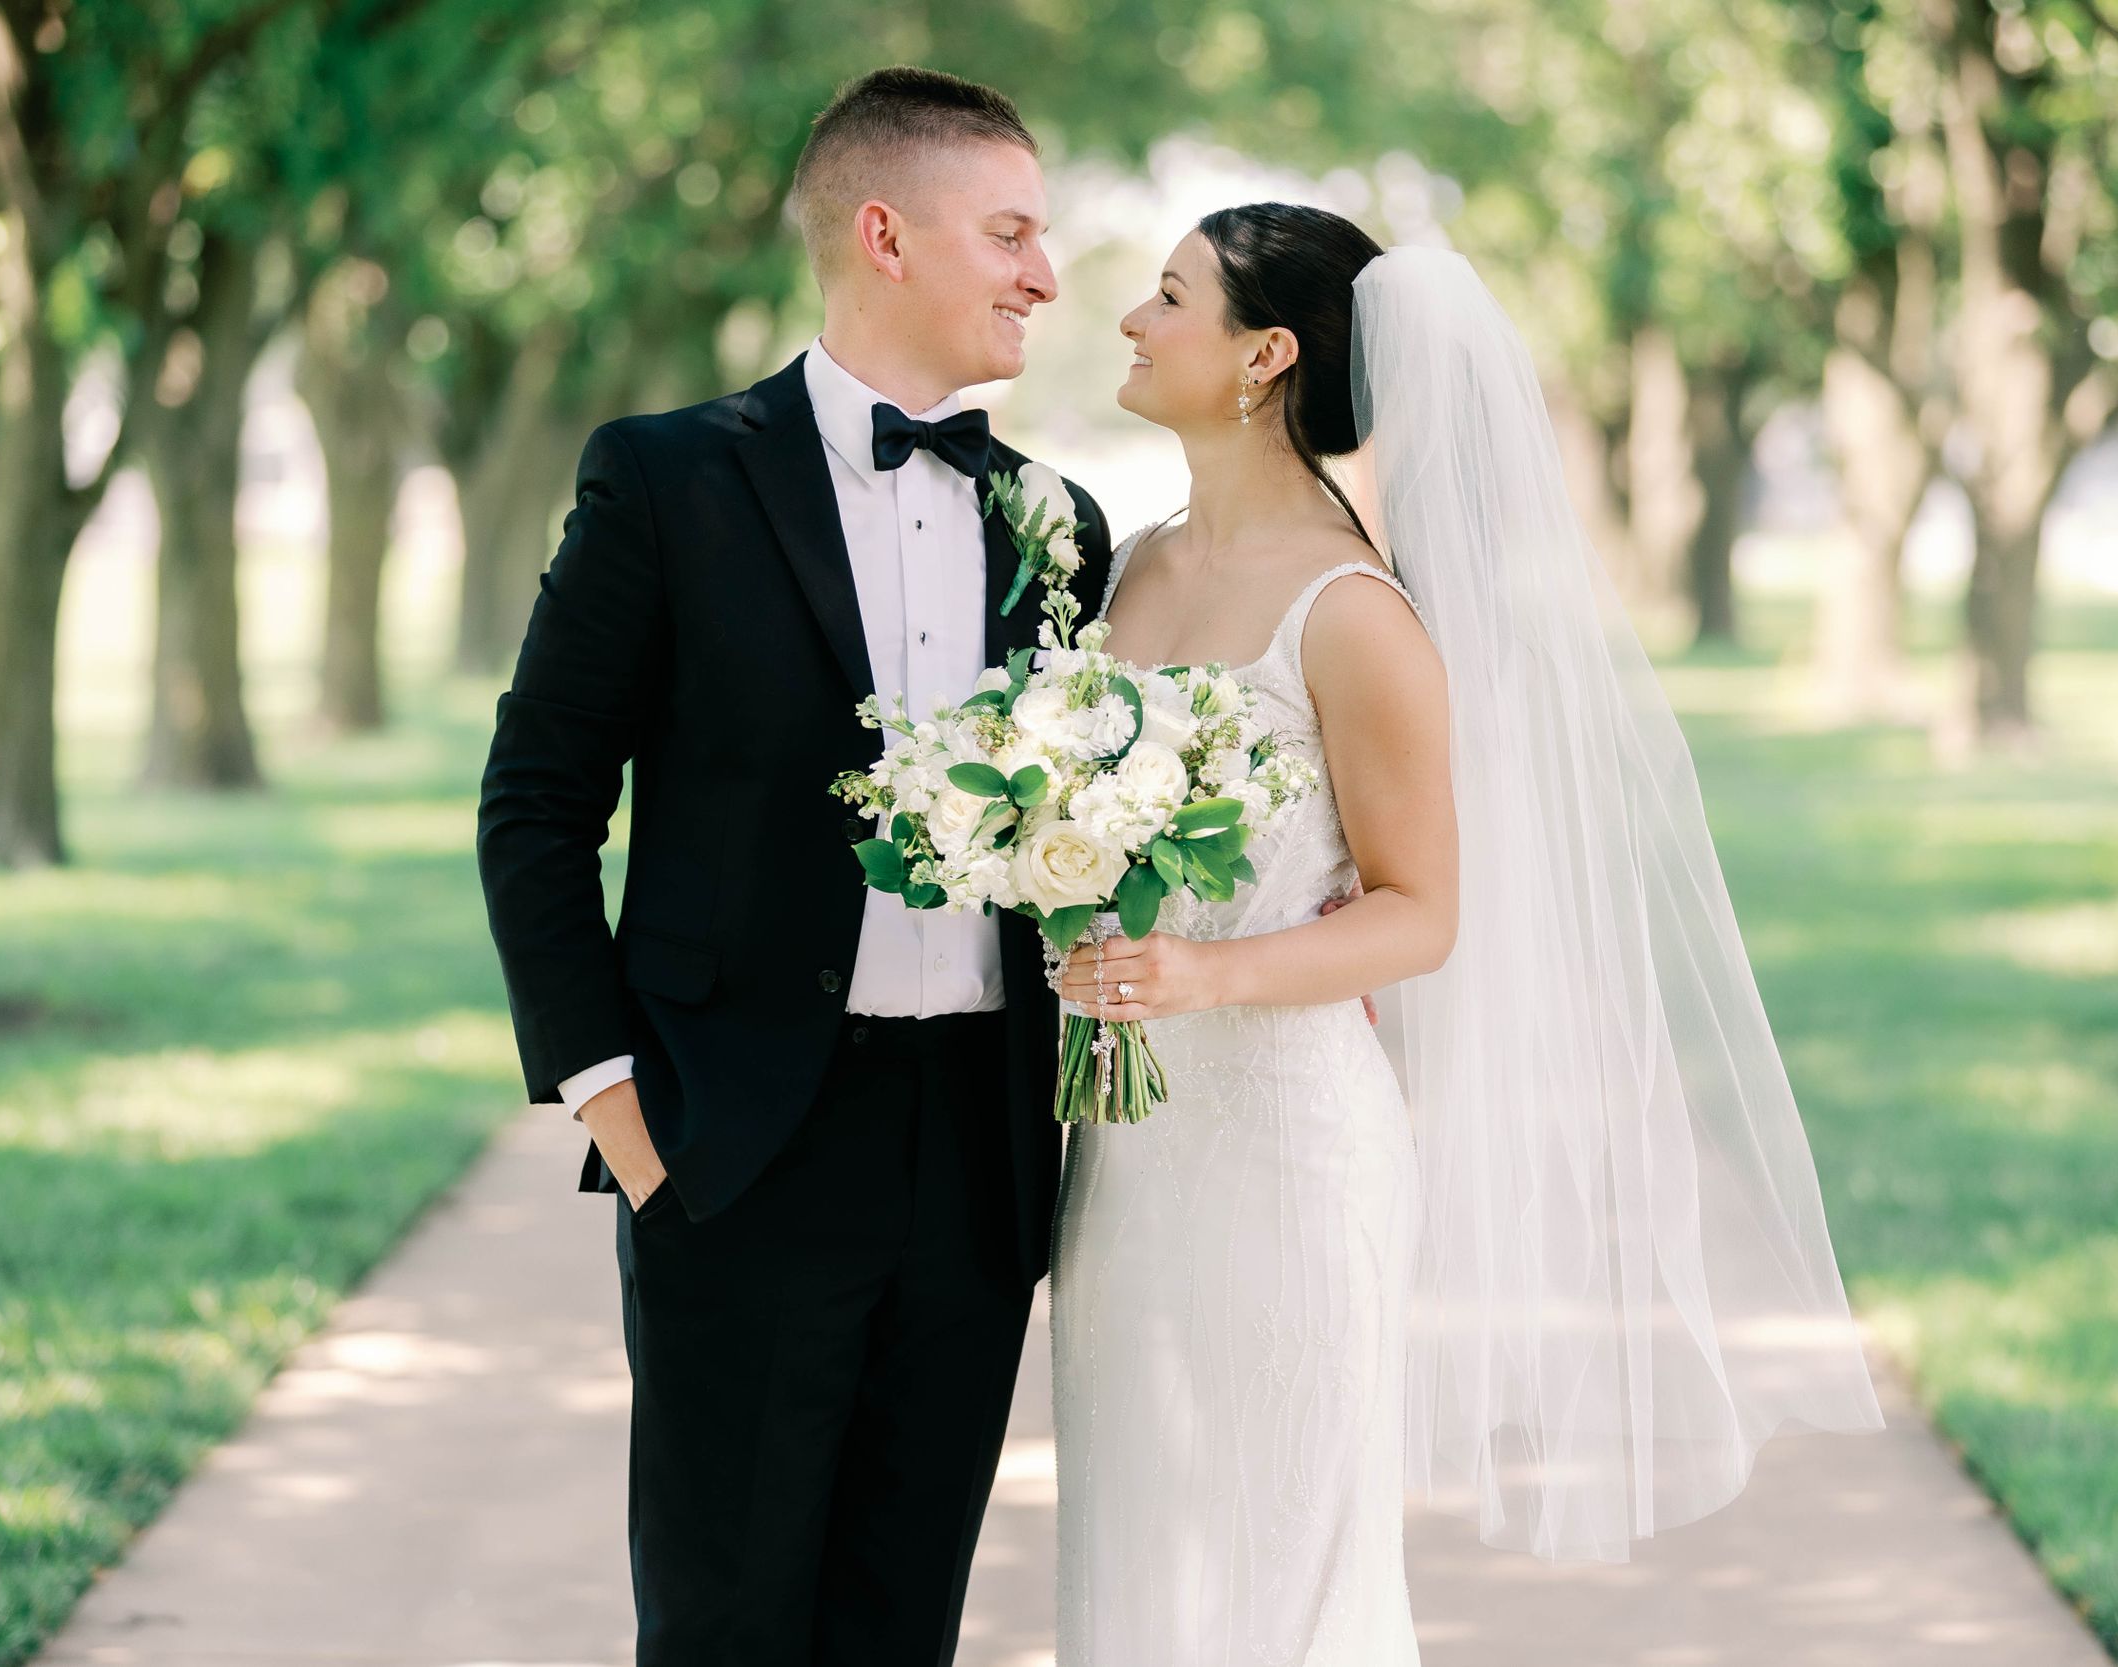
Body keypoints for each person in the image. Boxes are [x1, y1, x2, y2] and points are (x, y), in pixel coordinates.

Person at [1049, 206, 1887, 1663]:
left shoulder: (1353, 610)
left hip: (1286, 1156)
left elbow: (1421, 912)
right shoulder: (1128, 567)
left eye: (1166, 296)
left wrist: (1204, 971)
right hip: (1128, 1160)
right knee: (1136, 1559)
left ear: (1265, 356)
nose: (1130, 318)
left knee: (1285, 1572)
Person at [475, 67, 1113, 1665]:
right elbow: (537, 800)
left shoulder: (1063, 524)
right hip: (736, 1142)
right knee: (724, 1627)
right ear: (886, 234)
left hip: (974, 1156)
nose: (1047, 274)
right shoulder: (668, 479)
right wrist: (616, 1107)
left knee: (902, 1627)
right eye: (1013, 232)